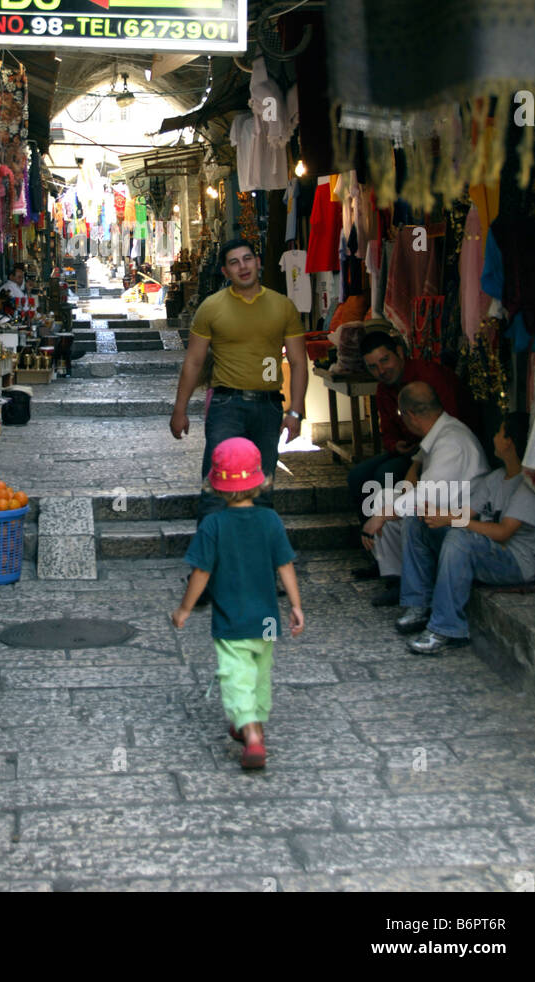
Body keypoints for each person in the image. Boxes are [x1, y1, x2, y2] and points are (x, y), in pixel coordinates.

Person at [171, 438, 304, 769]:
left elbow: (202, 572)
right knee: (260, 672)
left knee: (235, 674)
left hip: (232, 621)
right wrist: (297, 606)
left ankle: (253, 736)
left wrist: (185, 609)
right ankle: (251, 721)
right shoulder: (270, 520)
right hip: (268, 620)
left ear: (214, 484)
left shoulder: (214, 525)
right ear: (261, 479)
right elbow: (285, 565)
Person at [170, 239, 308, 525]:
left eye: (247, 259)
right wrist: (179, 410)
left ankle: (255, 562)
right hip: (226, 406)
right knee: (216, 485)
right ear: (225, 271)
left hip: (268, 407)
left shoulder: (282, 307)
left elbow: (297, 361)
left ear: (258, 262)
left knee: (262, 488)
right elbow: (194, 361)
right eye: (234, 262)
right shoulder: (211, 308)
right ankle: (208, 563)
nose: (242, 266)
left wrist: (295, 411)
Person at [397, 412, 535, 654]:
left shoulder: (529, 486)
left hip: (517, 562)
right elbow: (466, 513)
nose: (493, 437)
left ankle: (446, 628)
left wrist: (451, 520)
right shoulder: (496, 478)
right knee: (418, 523)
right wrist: (435, 514)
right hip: (489, 549)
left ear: (509, 442)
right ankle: (418, 603)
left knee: (460, 538)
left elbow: (503, 533)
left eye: (499, 433)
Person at [349, 329, 478, 601]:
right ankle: (380, 555)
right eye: (373, 367)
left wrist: (384, 513)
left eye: (385, 361)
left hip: (441, 455)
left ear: (399, 353)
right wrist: (399, 448)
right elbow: (388, 434)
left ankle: (396, 564)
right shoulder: (384, 389)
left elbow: (443, 420)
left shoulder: (429, 378)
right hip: (414, 450)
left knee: (384, 478)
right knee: (361, 477)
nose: (381, 370)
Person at [361, 381, 490, 606]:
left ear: (410, 415)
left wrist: (380, 517)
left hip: (459, 518)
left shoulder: (451, 441)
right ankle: (398, 578)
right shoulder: (440, 431)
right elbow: (417, 467)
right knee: (384, 498)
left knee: (398, 511)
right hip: (441, 505)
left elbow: (425, 495)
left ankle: (418, 595)